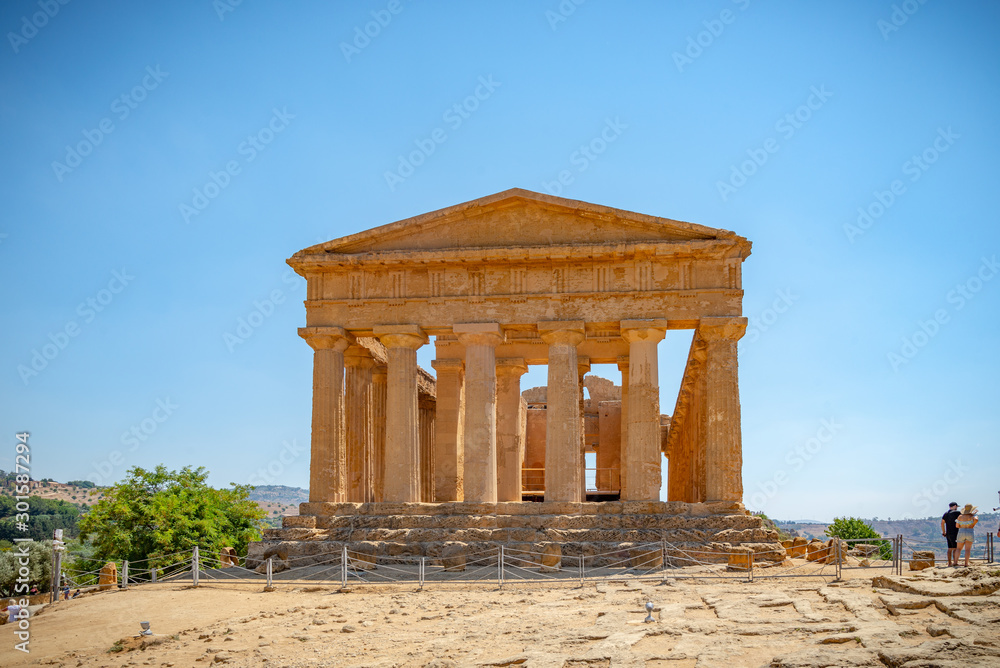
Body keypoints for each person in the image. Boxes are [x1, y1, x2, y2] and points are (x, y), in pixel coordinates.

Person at [941, 502, 961, 566]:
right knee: (955, 548)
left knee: (949, 548)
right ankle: (955, 562)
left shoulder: (946, 514)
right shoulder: (957, 513)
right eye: (956, 507)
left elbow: (942, 523)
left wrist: (944, 532)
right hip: (955, 532)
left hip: (948, 533)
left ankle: (949, 563)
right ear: (954, 506)